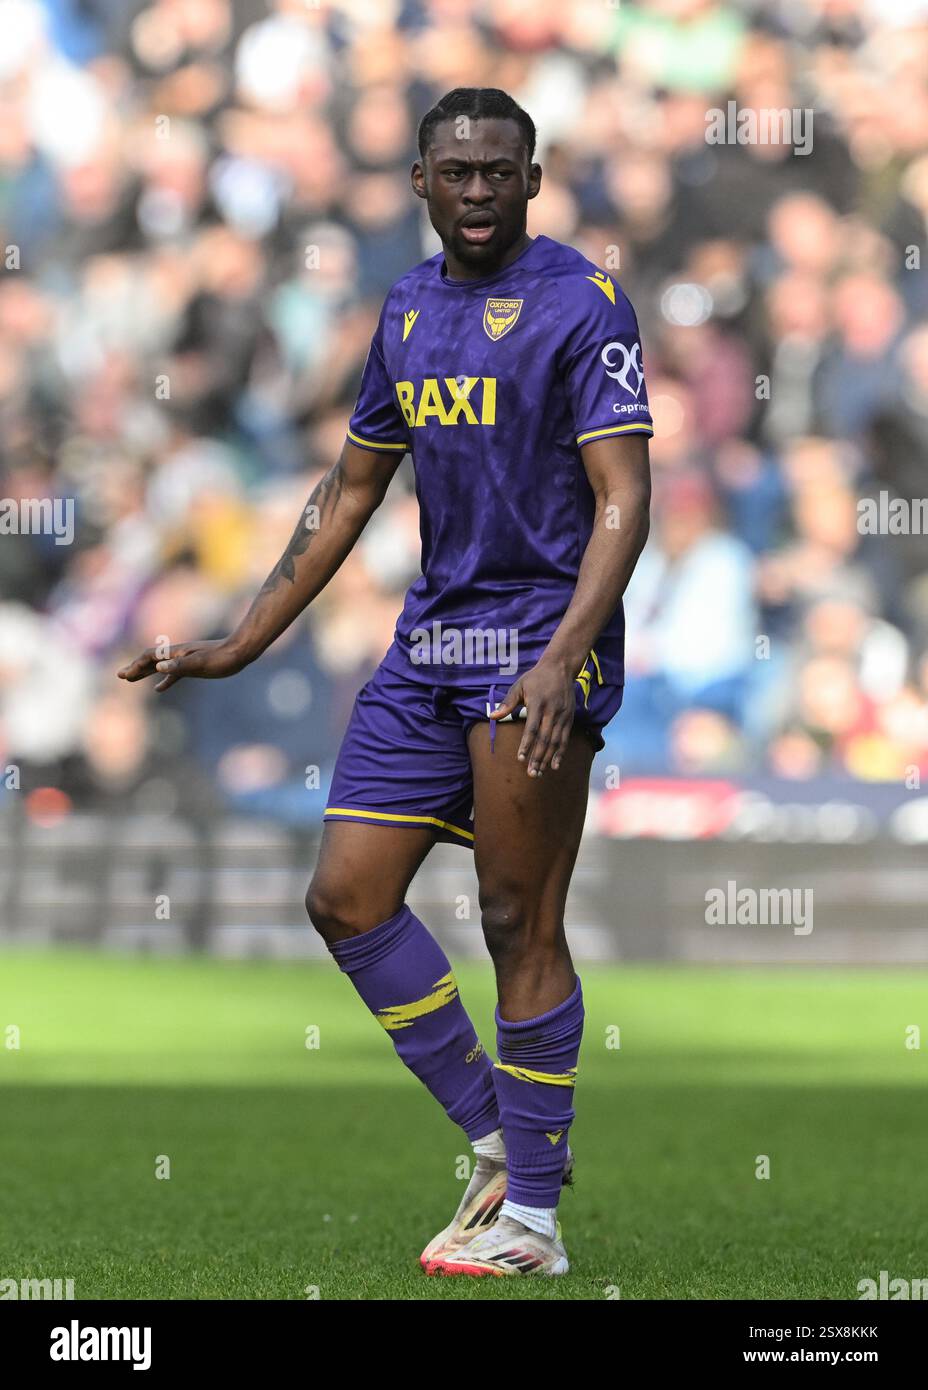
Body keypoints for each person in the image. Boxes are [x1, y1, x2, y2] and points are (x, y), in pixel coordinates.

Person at [117, 87, 653, 1277]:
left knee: (518, 920)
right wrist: (235, 640)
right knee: (345, 897)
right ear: (418, 180)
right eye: (454, 171)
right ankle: (495, 1136)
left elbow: (625, 496)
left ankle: (535, 1223)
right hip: (427, 650)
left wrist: (567, 656)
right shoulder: (406, 311)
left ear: (531, 179)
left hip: (534, 654)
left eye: (496, 171)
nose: (475, 190)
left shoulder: (582, 304)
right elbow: (348, 494)